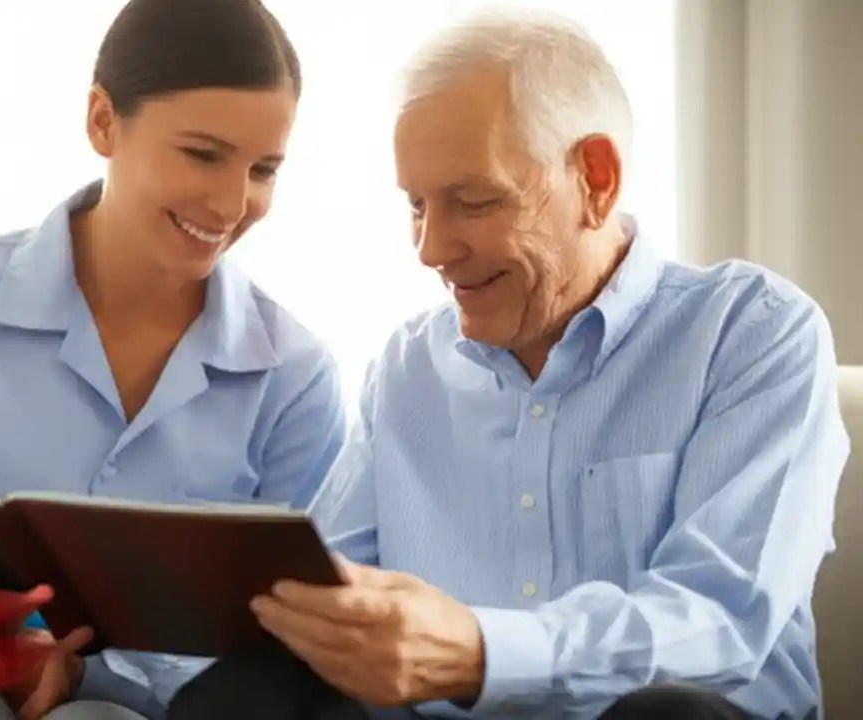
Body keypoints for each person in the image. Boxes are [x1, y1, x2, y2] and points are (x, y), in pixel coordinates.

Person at [162, 8, 851, 720]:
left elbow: (724, 618)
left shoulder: (751, 332)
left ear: (597, 178)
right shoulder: (407, 368)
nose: (431, 248)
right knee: (247, 694)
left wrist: (482, 651)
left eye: (473, 201)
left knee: (672, 716)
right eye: (417, 206)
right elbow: (318, 599)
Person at [0, 1, 347, 719]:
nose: (233, 202)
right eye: (203, 154)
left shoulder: (294, 379)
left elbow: (282, 648)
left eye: (263, 169)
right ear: (103, 121)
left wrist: (84, 681)